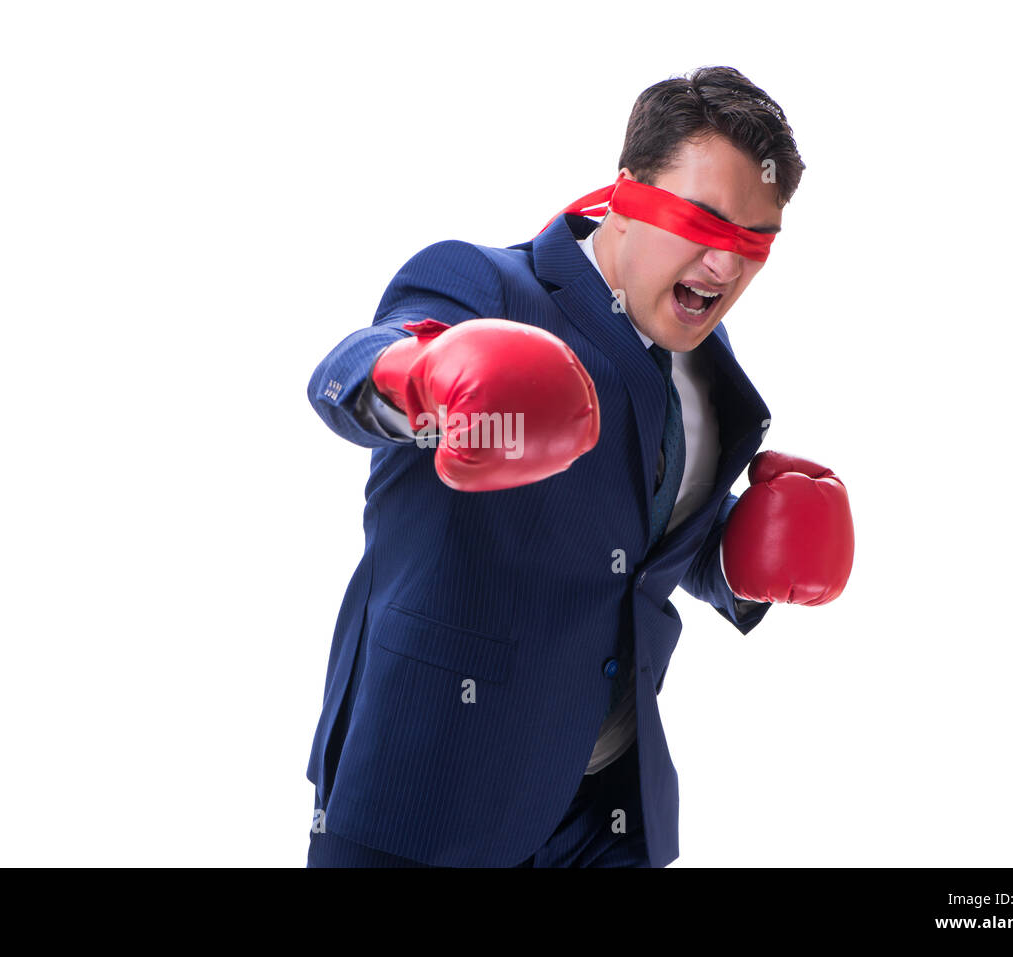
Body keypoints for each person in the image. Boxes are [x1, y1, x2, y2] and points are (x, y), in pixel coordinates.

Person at [303, 66, 854, 867]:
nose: (726, 267)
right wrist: (419, 380)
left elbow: (641, 539)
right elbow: (344, 372)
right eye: (702, 221)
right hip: (429, 793)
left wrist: (734, 558)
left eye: (754, 242)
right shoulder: (485, 284)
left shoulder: (703, 358)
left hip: (606, 813)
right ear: (626, 196)